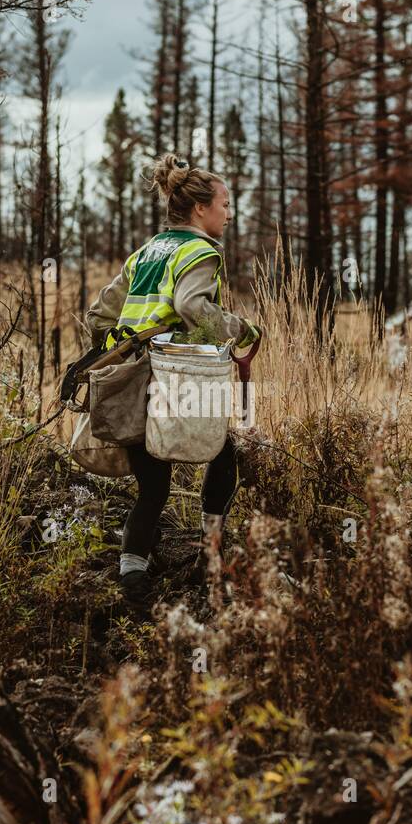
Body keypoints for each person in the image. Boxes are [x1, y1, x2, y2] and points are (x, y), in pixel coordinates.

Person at [82, 152, 261, 603]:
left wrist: (120, 352)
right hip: (176, 384)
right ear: (200, 209)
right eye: (224, 202)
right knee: (223, 455)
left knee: (153, 487)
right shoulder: (200, 251)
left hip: (133, 385)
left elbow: (98, 313)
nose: (229, 212)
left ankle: (132, 579)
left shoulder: (147, 251)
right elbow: (191, 307)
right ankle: (211, 553)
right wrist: (238, 328)